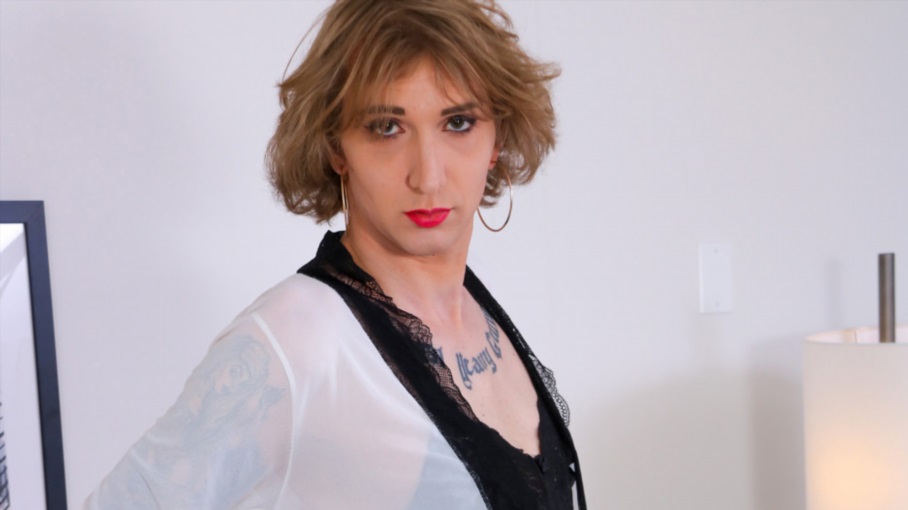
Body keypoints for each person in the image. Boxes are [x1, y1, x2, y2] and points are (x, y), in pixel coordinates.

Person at [85, 0, 585, 508]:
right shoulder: (297, 338)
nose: (428, 176)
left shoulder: (477, 313)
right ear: (335, 147)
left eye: (457, 122)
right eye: (387, 128)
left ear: (497, 137)